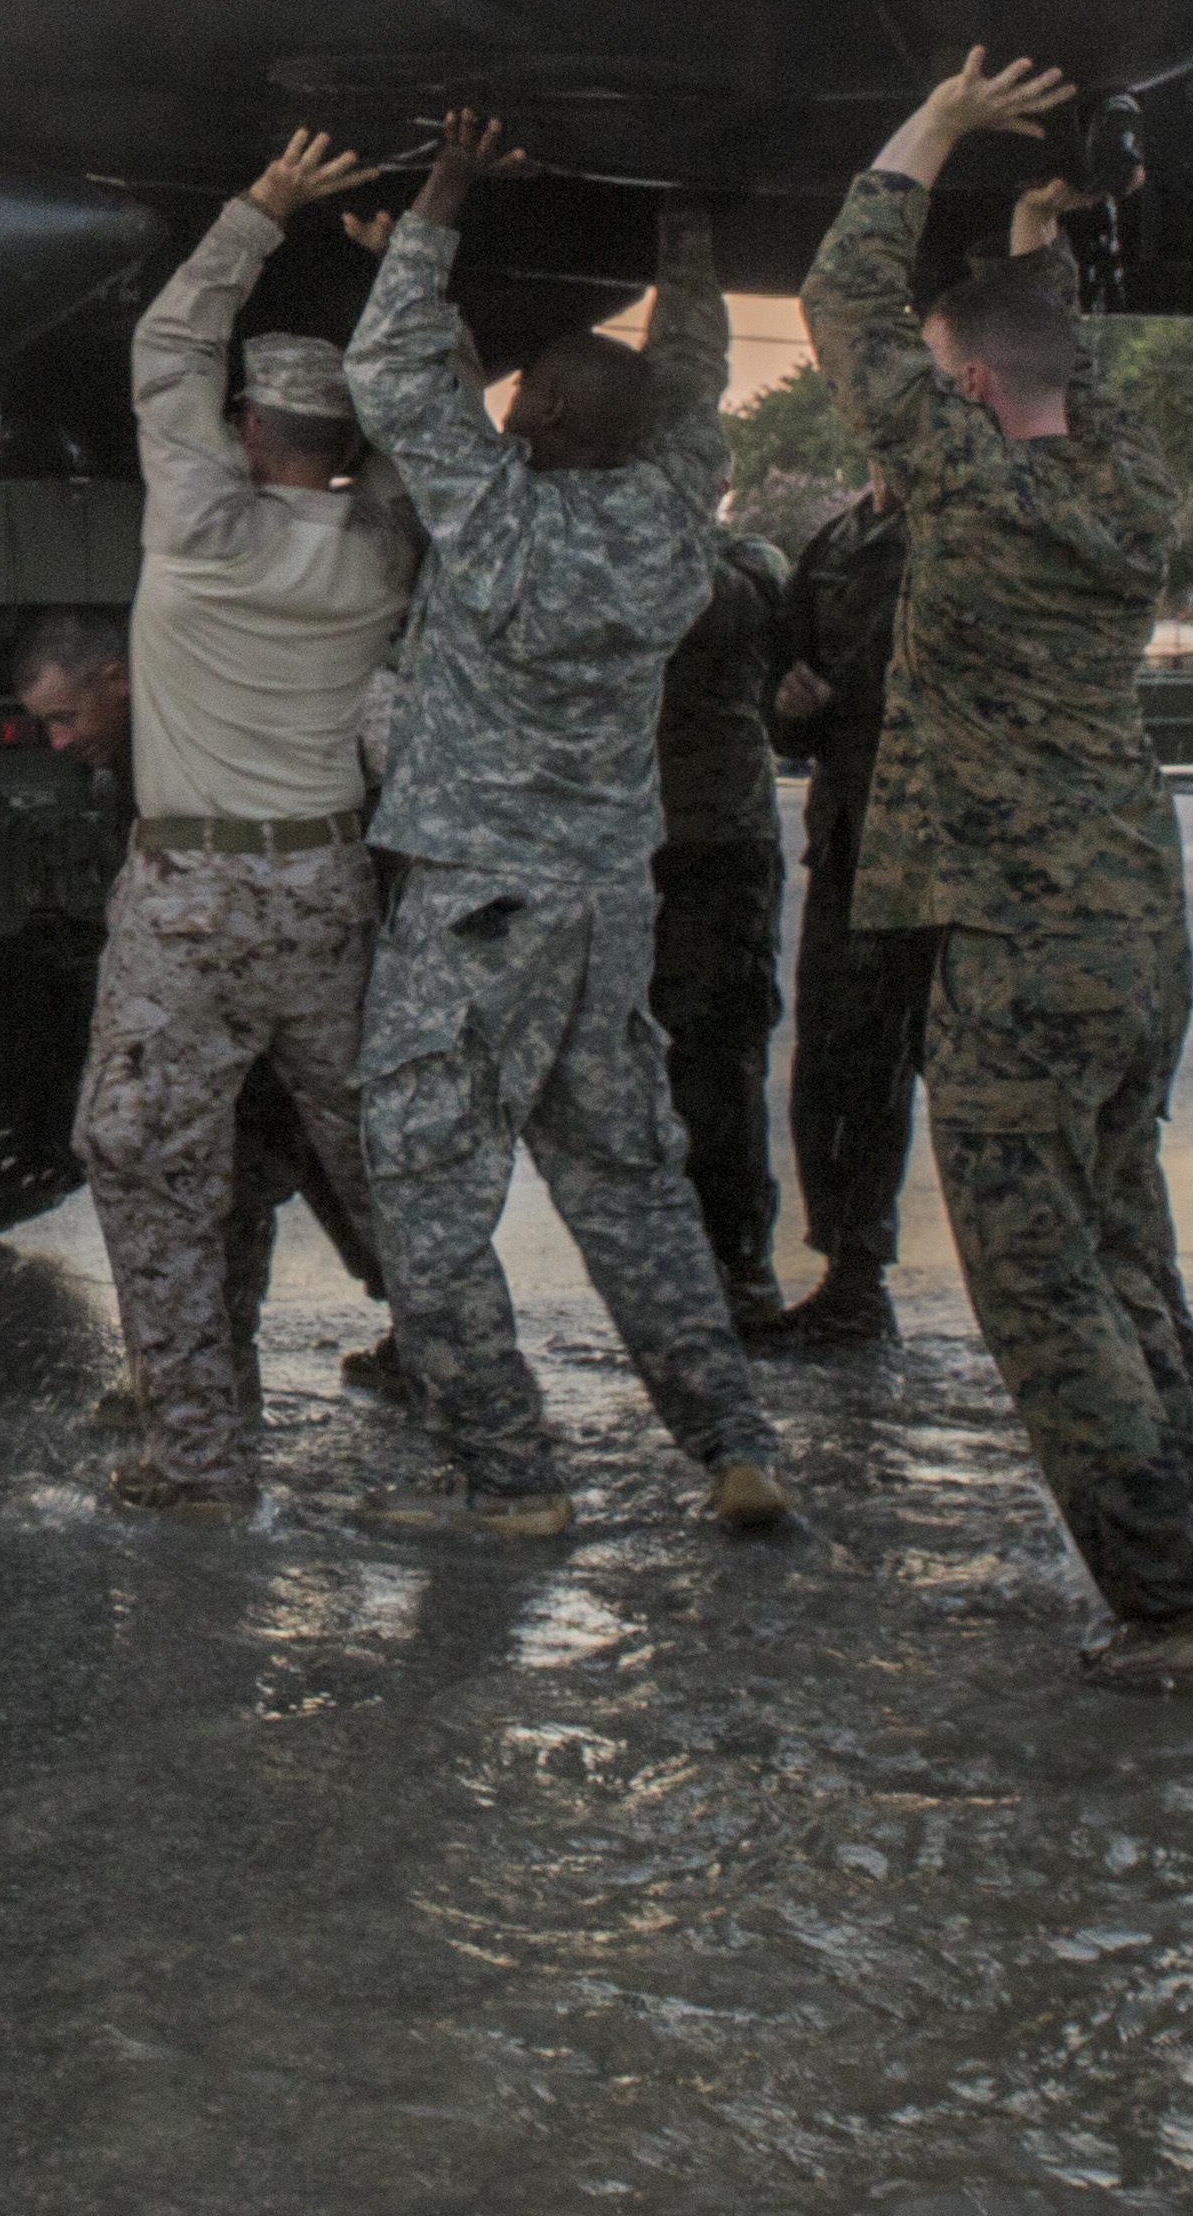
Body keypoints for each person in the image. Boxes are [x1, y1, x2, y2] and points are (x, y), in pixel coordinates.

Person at [804, 52, 1193, 1691]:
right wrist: (1036, 244)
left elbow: (845, 305)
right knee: (1124, 1242)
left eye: (948, 377)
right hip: (1136, 935)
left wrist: (930, 125)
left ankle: (1178, 1610)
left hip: (1016, 942)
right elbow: (1041, 359)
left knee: (1038, 1281)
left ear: (973, 401)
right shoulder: (1125, 486)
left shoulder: (974, 496)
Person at [334, 113, 793, 1541]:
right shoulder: (673, 525)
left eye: (520, 392)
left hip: (479, 908)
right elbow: (695, 376)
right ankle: (733, 1446)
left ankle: (511, 1479)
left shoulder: (497, 520)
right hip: (607, 910)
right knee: (633, 1186)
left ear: (531, 422)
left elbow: (386, 370)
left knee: (421, 1191)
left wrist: (450, 182)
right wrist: (691, 231)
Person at [69, 133, 425, 1518]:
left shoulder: (203, 526)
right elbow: (420, 432)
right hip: (330, 893)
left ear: (250, 433)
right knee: (377, 1163)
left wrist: (262, 211)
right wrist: (407, 289)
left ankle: (197, 1458)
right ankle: (478, 1418)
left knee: (149, 1159)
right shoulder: (382, 543)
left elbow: (169, 343)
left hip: (192, 903)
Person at [13, 619, 394, 1422]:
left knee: (355, 1169)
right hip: (225, 987)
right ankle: (211, 1383)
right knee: (239, 1178)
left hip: (304, 963)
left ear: (116, 678)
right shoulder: (138, 740)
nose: (56, 740)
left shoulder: (194, 725)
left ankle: (440, 1357)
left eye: (65, 716)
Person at [756, 475, 920, 1348]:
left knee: (1003, 1088)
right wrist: (793, 711)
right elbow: (788, 678)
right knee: (842, 1066)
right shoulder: (840, 540)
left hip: (959, 841)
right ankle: (853, 1277)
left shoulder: (974, 525)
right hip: (856, 841)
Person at [650, 523, 797, 1333]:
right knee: (688, 1070)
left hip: (709, 843)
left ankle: (736, 1265)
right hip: (656, 840)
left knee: (713, 1065)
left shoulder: (738, 572)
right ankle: (715, 1266)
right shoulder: (746, 565)